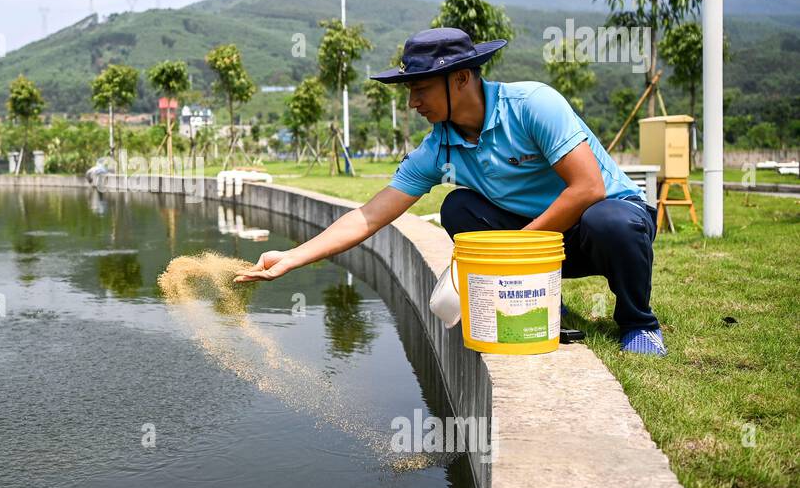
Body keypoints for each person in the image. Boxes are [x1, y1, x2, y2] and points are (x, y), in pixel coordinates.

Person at [235, 27, 666, 356]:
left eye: (420, 89)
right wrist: (290, 259)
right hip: (545, 244)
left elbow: (588, 188)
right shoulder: (438, 145)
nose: (413, 103)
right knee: (458, 207)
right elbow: (369, 216)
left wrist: (514, 251)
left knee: (609, 218)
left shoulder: (533, 104)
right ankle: (540, 298)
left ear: (460, 79)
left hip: (604, 225)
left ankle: (637, 323)